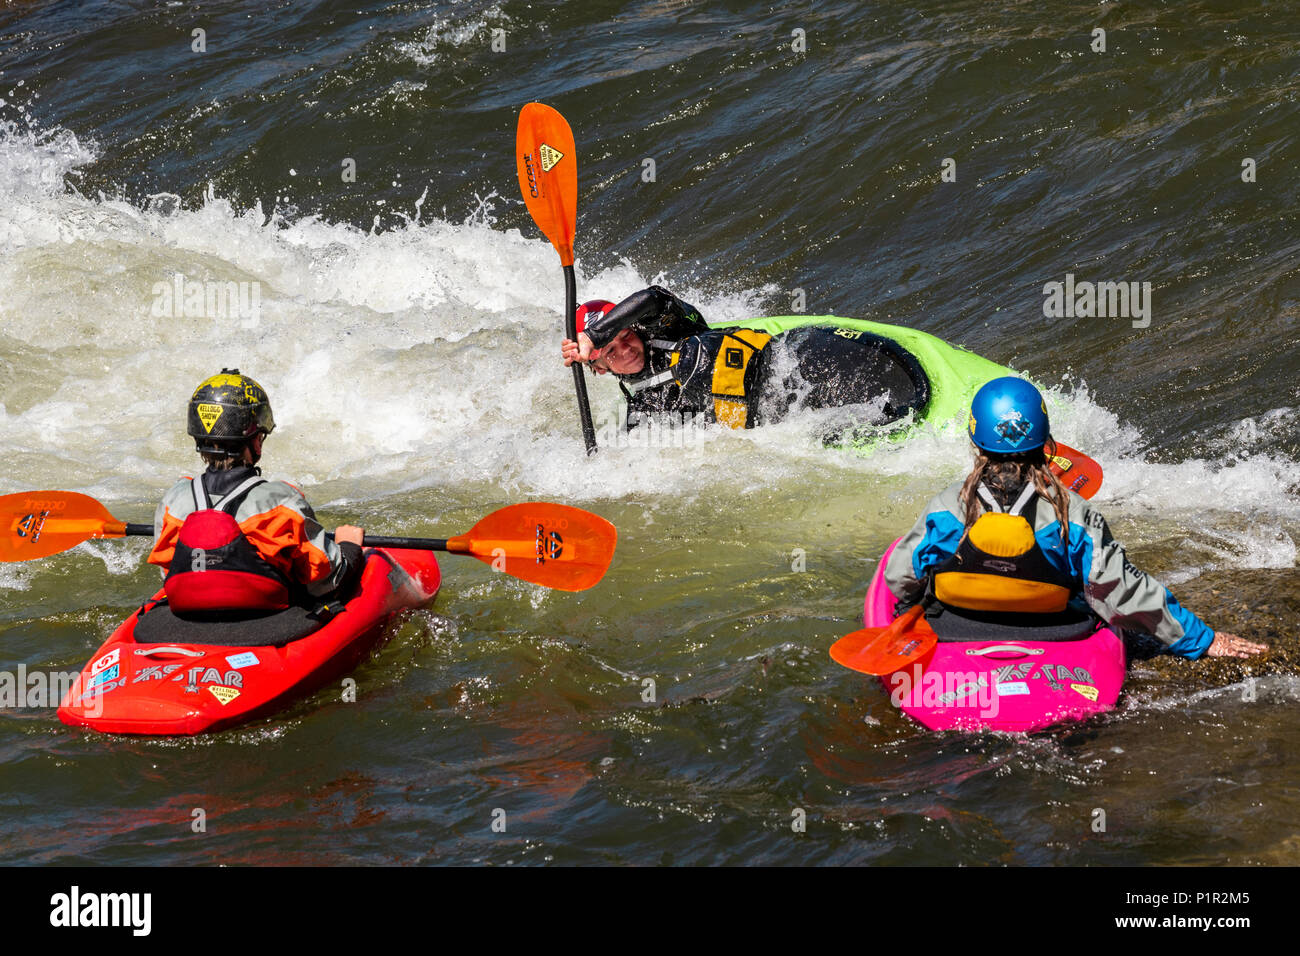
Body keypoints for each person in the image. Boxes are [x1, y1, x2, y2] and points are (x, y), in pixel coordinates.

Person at [883, 376, 1267, 659]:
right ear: (1046, 441)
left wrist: (913, 607)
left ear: (975, 439)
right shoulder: (1074, 514)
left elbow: (900, 577)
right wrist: (1205, 639)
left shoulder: (947, 506)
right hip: (1054, 634)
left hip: (955, 629)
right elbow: (1122, 592)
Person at [560, 286, 930, 432]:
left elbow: (654, 297)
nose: (626, 349)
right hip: (785, 414)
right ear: (597, 367)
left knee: (901, 405)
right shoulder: (643, 411)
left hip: (793, 359)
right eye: (611, 352)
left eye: (625, 335)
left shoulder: (669, 329)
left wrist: (595, 336)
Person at [147, 369, 365, 616]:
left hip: (189, 613)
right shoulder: (281, 501)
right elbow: (325, 582)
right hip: (264, 618)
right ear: (256, 440)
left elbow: (169, 573)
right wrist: (349, 547)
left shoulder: (172, 500)